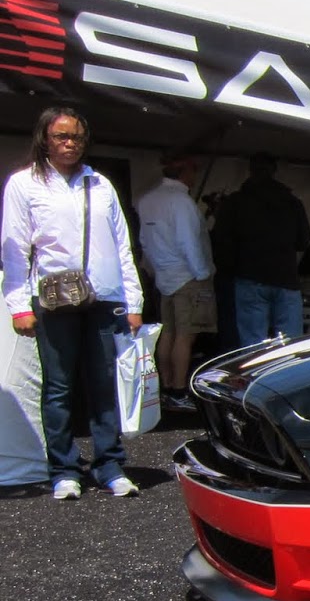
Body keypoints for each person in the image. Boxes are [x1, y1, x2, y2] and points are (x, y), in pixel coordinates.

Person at [0, 105, 144, 499]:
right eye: (61, 136)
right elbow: (14, 250)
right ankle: (64, 469)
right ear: (44, 139)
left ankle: (110, 464)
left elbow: (122, 246)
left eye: (77, 137)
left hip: (102, 297)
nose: (70, 143)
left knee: (102, 384)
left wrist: (133, 301)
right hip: (51, 299)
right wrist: (19, 306)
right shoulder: (24, 184)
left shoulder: (99, 184)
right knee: (59, 387)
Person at [136, 152, 215, 411]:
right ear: (186, 172)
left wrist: (156, 268)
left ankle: (166, 386)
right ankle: (179, 390)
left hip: (164, 276)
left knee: (168, 332)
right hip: (187, 276)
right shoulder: (182, 202)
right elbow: (188, 241)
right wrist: (202, 272)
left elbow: (145, 241)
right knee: (186, 335)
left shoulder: (147, 200)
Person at [213, 152, 310, 344]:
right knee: (290, 344)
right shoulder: (292, 202)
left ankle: (257, 374)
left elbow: (220, 240)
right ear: (274, 171)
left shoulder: (235, 203)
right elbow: (303, 240)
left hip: (250, 277)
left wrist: (230, 269)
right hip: (286, 277)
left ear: (250, 170)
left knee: (253, 343)